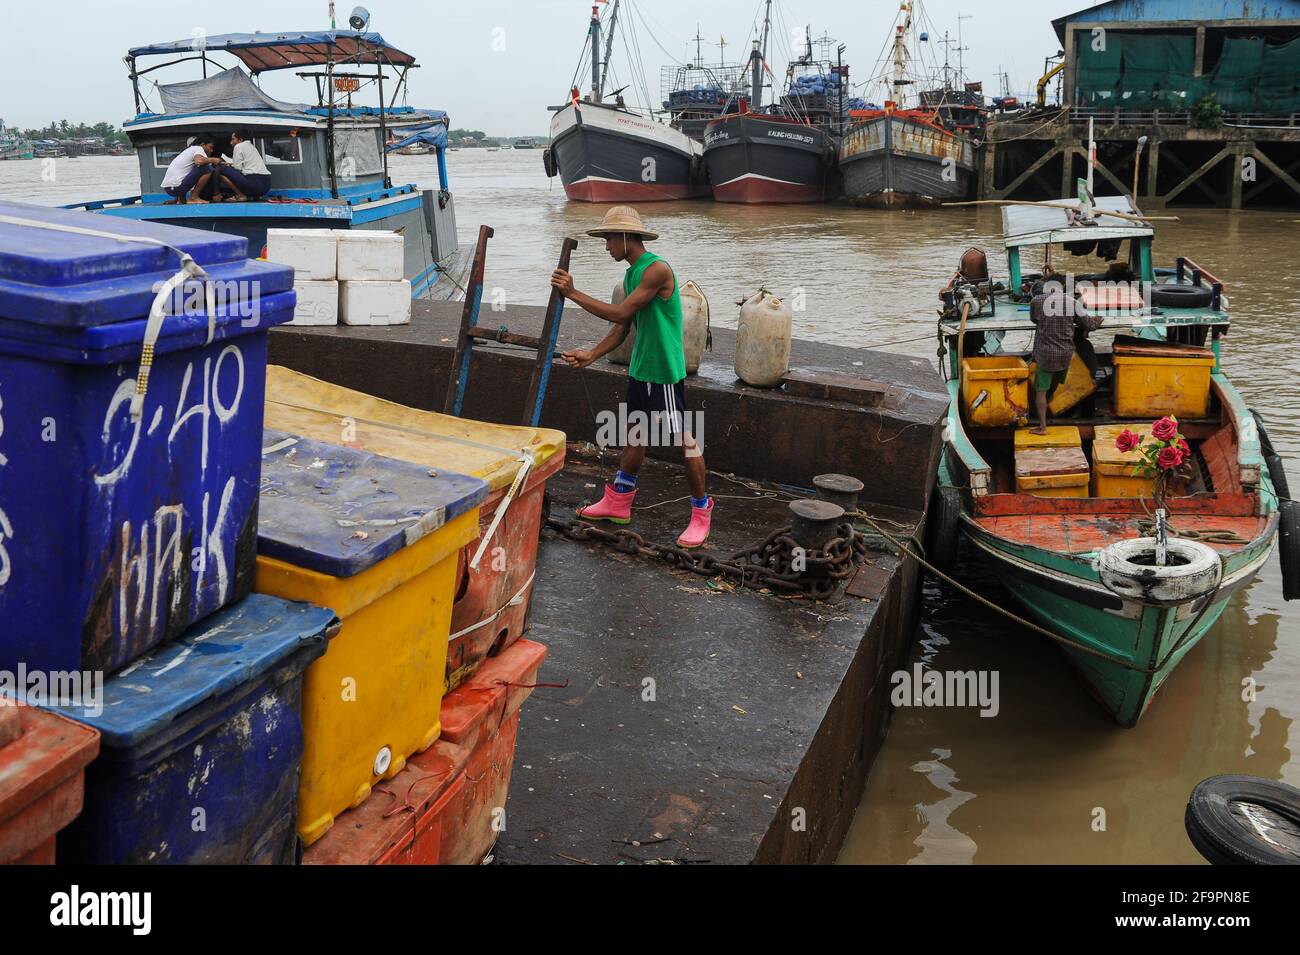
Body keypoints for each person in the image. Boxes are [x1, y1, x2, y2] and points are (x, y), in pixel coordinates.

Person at [549, 205, 713, 549]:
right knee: (635, 435)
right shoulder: (630, 274)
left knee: (686, 440)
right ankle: (619, 500)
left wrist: (573, 293)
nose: (607, 246)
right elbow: (623, 326)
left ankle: (701, 511)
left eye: (609, 238)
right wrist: (591, 355)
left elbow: (621, 310)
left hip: (664, 373)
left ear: (626, 237)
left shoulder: (656, 269)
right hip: (642, 369)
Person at [1028, 273, 1104, 434]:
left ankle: (1042, 426)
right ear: (1063, 287)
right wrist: (1099, 319)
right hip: (1065, 355)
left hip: (1045, 354)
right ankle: (1047, 408)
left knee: (1040, 390)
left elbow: (1034, 319)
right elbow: (1089, 325)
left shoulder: (1036, 301)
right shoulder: (1072, 303)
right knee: (1054, 383)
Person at [160, 133, 222, 203]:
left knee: (187, 171)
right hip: (176, 188)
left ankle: (179, 199)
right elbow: (199, 161)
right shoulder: (198, 148)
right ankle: (194, 197)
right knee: (207, 168)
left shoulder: (188, 150)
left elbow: (182, 174)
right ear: (202, 144)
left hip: (169, 189)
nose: (211, 150)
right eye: (210, 147)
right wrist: (213, 160)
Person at [216, 130, 272, 201]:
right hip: (266, 186)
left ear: (240, 140)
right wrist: (231, 164)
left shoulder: (239, 146)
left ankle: (240, 195)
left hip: (254, 184)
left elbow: (237, 168)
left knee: (221, 169)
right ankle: (254, 196)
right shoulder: (251, 146)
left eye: (233, 139)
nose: (231, 142)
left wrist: (228, 165)